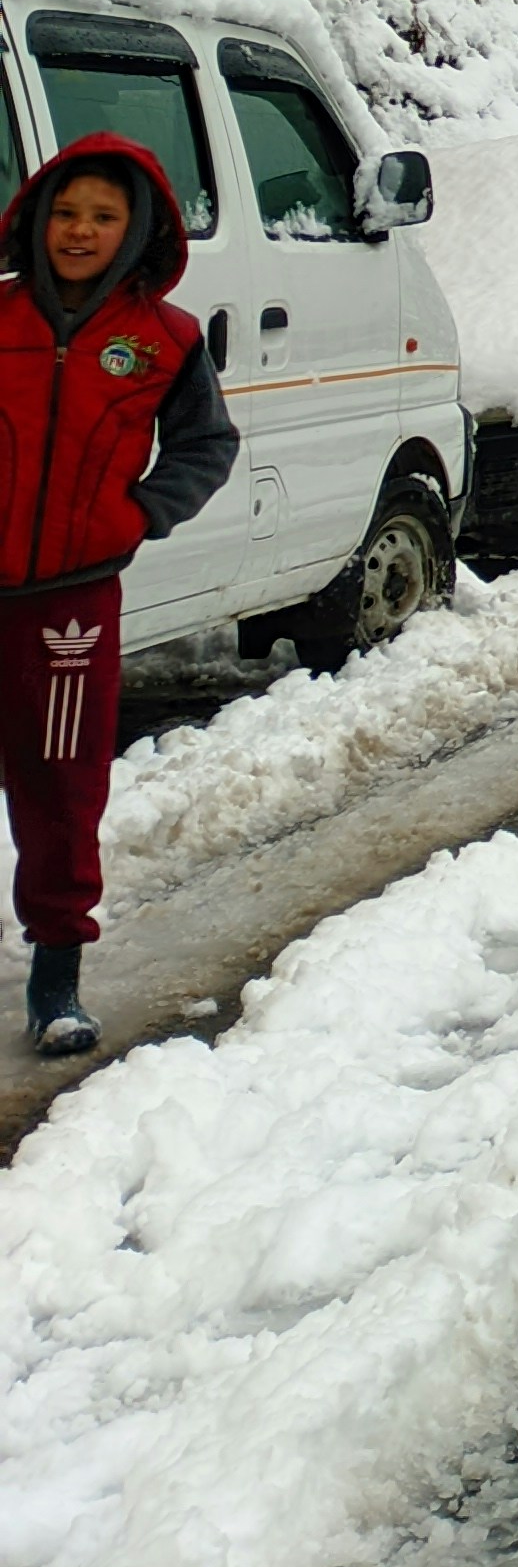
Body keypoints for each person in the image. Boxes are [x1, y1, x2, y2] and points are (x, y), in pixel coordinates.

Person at [0, 137, 238, 1059]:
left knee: (61, 785)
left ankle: (55, 979)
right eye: (65, 213)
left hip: (72, 606)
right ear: (36, 217)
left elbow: (205, 446)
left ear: (135, 229)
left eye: (102, 217)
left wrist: (134, 515)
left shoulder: (163, 342)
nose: (80, 231)